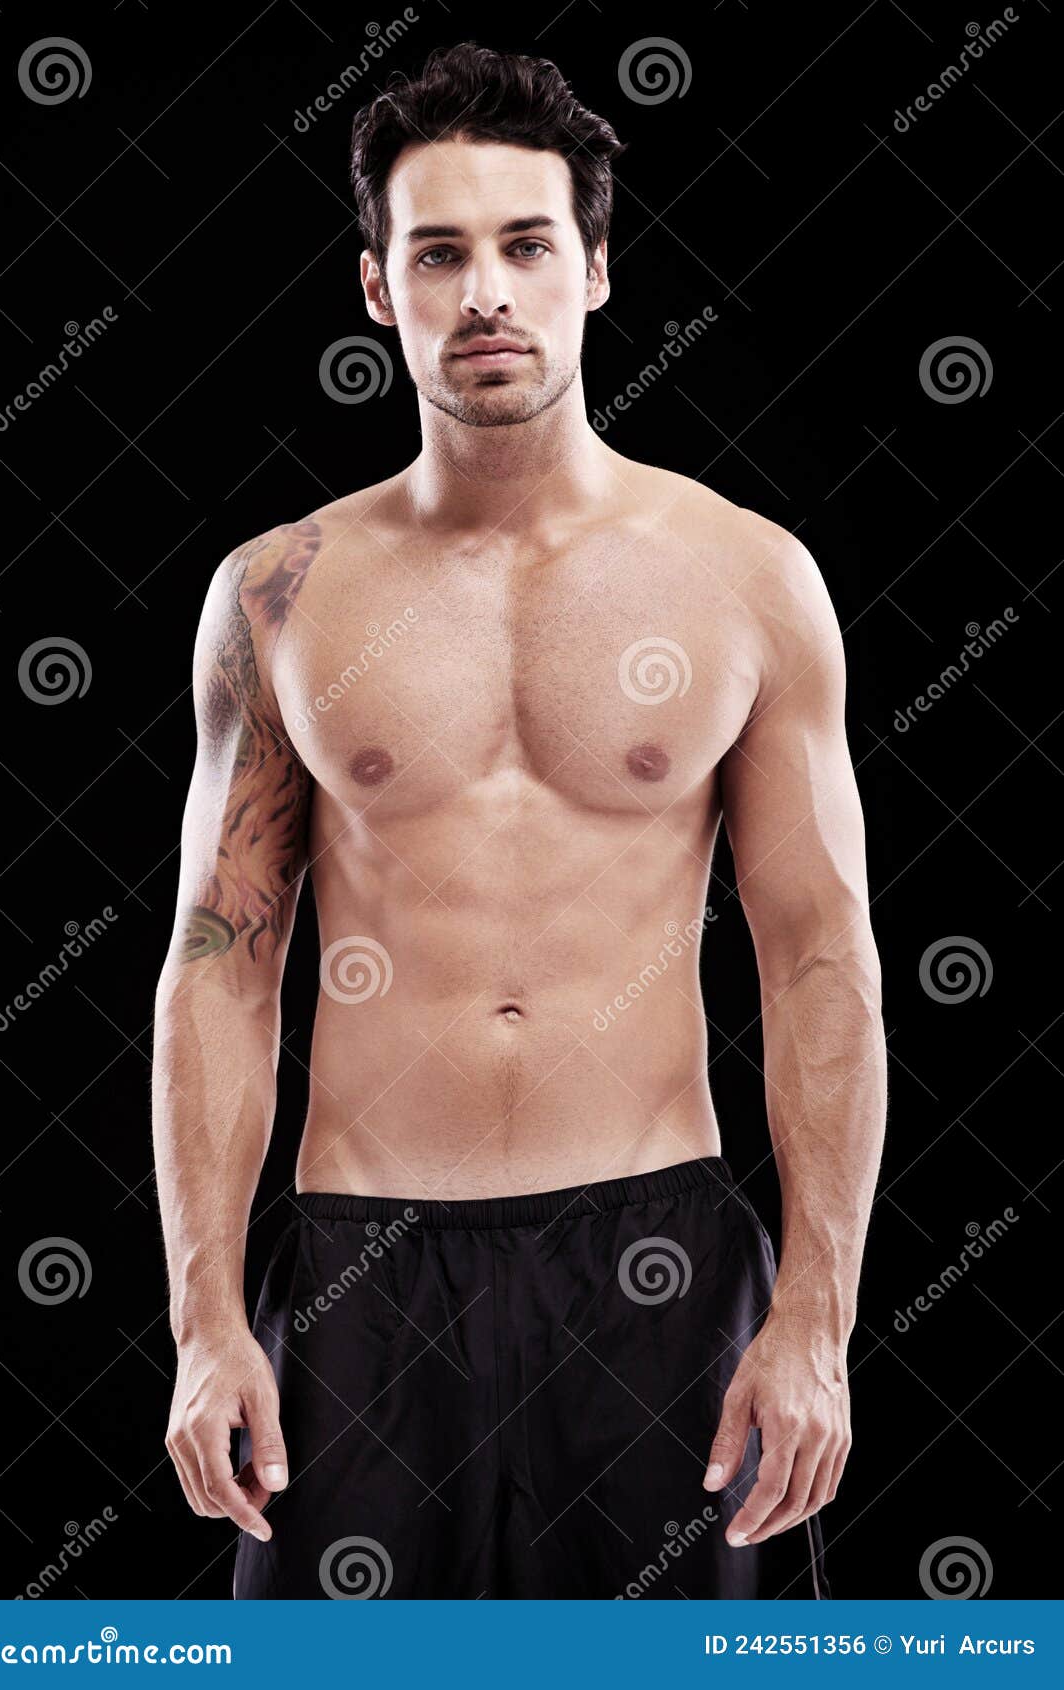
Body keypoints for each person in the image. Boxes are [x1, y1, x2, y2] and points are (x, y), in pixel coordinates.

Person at [152, 41, 886, 1600]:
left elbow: (821, 957)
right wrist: (206, 1320)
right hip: (359, 1276)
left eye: (525, 243)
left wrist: (816, 1317)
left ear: (596, 270)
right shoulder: (277, 593)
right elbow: (219, 958)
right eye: (439, 251)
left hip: (663, 1276)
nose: (485, 289)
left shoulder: (747, 577)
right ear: (378, 288)